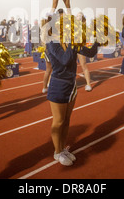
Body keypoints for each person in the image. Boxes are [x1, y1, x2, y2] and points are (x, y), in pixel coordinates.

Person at [45, 19, 99, 166]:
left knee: (67, 120)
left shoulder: (71, 42)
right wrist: (73, 44)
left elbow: (89, 52)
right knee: (58, 121)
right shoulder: (52, 43)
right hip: (58, 85)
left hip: (71, 86)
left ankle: (62, 148)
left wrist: (98, 41)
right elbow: (64, 60)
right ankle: (57, 152)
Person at [76, 12, 93, 91]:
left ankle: (88, 84)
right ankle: (72, 84)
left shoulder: (85, 28)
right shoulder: (73, 26)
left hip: (81, 47)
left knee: (83, 65)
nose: (77, 16)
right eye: (77, 15)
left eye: (79, 15)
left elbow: (88, 39)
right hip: (73, 47)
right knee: (71, 66)